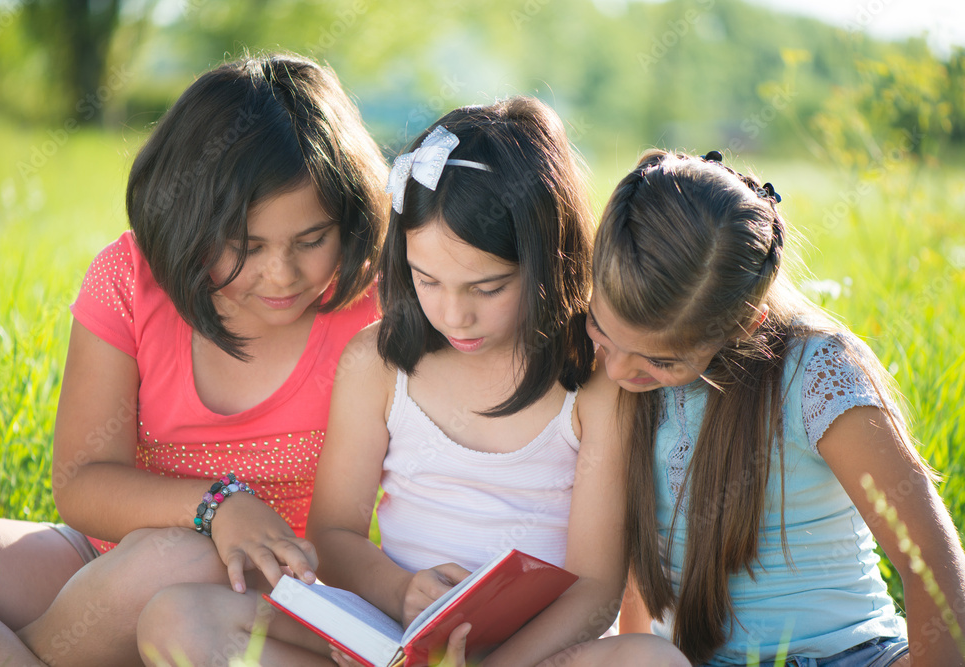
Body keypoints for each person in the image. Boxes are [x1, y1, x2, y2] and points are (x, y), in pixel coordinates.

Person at [133, 98, 689, 666]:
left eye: (488, 287)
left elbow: (596, 590)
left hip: (534, 653)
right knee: (176, 618)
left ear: (550, 262)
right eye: (428, 280)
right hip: (393, 635)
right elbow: (332, 536)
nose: (454, 314)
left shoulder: (594, 385)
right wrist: (400, 593)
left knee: (653, 660)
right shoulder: (377, 363)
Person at [0, 52, 388, 667]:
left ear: (347, 219)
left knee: (182, 556)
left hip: (258, 591)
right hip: (101, 557)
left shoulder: (371, 312)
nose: (282, 273)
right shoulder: (130, 281)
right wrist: (217, 503)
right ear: (188, 221)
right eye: (245, 246)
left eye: (311, 240)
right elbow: (81, 482)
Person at [581, 149, 965, 666]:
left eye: (659, 360)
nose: (618, 372)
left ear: (745, 326)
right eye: (602, 330)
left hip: (849, 656)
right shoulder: (617, 385)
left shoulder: (815, 373)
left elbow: (931, 565)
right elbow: (636, 578)